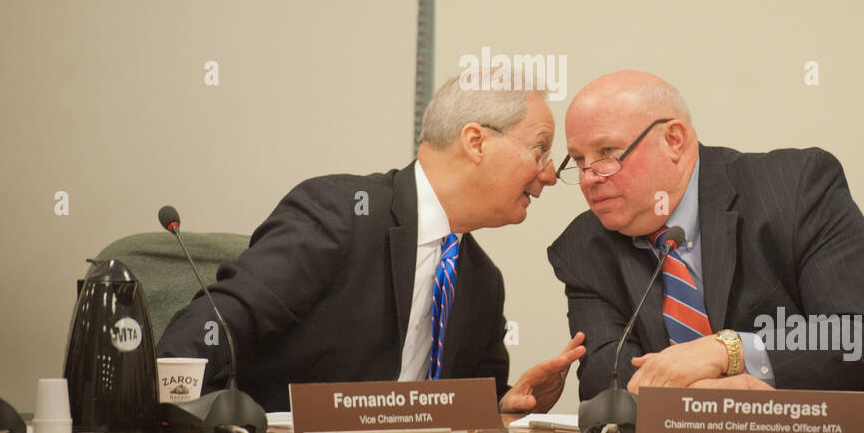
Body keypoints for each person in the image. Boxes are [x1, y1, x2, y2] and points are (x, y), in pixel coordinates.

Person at [158, 78, 584, 413]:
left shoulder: (481, 280)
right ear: (476, 142)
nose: (549, 175)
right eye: (541, 151)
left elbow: (466, 402)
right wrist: (185, 419)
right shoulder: (339, 215)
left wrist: (505, 404)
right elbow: (211, 328)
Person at [547, 71, 864, 426]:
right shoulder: (585, 247)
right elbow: (606, 378)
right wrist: (702, 404)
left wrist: (728, 350)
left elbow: (860, 339)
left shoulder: (795, 189)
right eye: (578, 161)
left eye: (607, 154)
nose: (588, 179)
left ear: (674, 140)